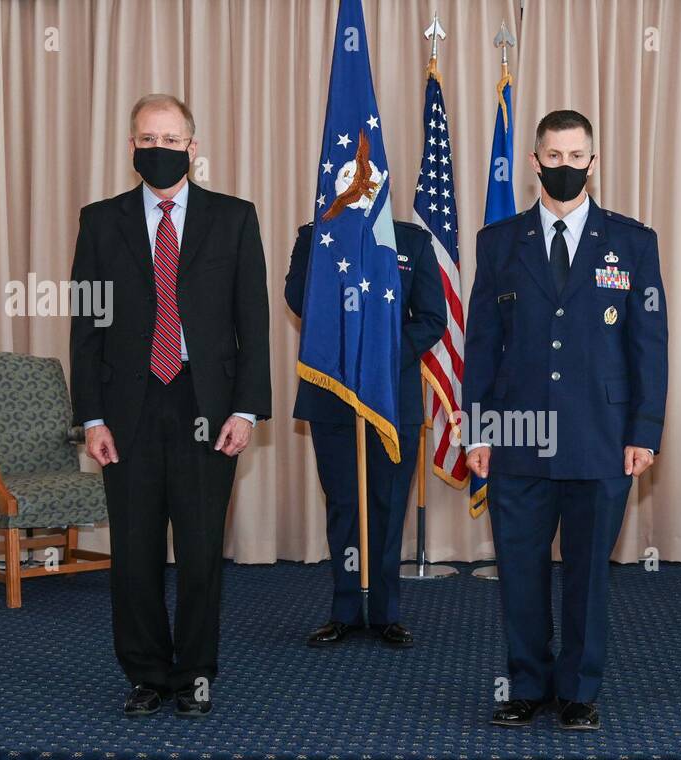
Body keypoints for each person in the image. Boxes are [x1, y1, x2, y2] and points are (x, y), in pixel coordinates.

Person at [463, 109, 668, 731]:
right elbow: (480, 342)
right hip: (517, 438)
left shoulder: (633, 241)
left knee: (586, 573)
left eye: (576, 157)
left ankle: (578, 688)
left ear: (593, 162)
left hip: (600, 437)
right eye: (553, 156)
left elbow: (648, 345)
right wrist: (477, 429)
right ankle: (526, 684)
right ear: (534, 161)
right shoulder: (498, 242)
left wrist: (644, 431)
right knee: (520, 569)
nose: (565, 167)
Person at [70, 93, 271, 717]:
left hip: (205, 404)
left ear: (193, 144)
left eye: (170, 139)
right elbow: (87, 324)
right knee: (133, 552)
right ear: (132, 148)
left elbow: (253, 322)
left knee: (201, 547)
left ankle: (196, 673)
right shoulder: (100, 221)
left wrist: (247, 410)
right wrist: (92, 418)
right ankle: (147, 674)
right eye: (146, 140)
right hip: (126, 410)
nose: (159, 150)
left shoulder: (234, 218)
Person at [284, 220, 448, 647]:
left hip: (393, 396)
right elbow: (297, 298)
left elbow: (432, 318)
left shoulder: (412, 241)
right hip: (333, 394)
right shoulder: (315, 236)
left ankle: (386, 611)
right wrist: (347, 349)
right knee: (344, 505)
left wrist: (377, 353)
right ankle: (345, 609)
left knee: (388, 505)